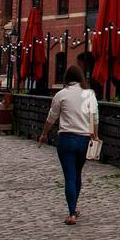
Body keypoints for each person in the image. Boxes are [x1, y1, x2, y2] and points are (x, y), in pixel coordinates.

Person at [39, 65, 99, 225]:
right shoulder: (89, 94)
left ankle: (72, 212)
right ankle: (74, 206)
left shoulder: (61, 95)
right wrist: (95, 135)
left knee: (69, 176)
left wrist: (44, 134)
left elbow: (51, 118)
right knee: (77, 173)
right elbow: (95, 118)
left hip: (66, 139)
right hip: (84, 139)